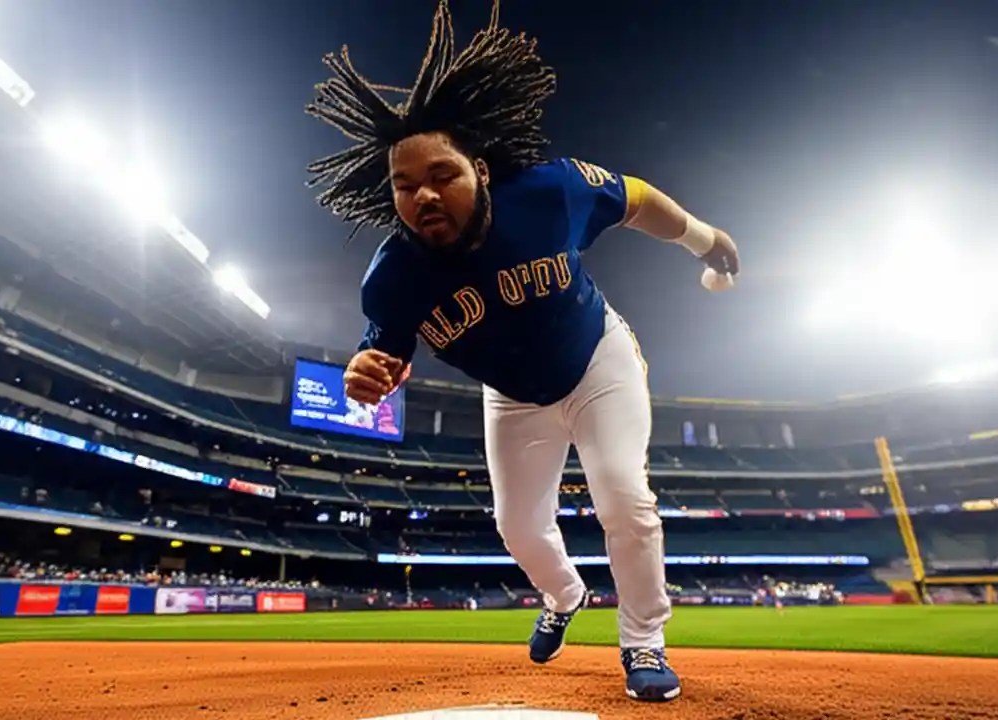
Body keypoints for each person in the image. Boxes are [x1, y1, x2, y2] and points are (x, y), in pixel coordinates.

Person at [306, 0, 739, 702]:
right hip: (512, 398)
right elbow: (384, 352)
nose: (423, 195)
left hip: (596, 360)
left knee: (623, 495)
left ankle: (644, 642)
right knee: (517, 528)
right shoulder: (391, 278)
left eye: (441, 174)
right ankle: (564, 597)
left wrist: (704, 238)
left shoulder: (548, 192)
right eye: (404, 186)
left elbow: (635, 198)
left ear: (480, 169)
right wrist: (366, 371)